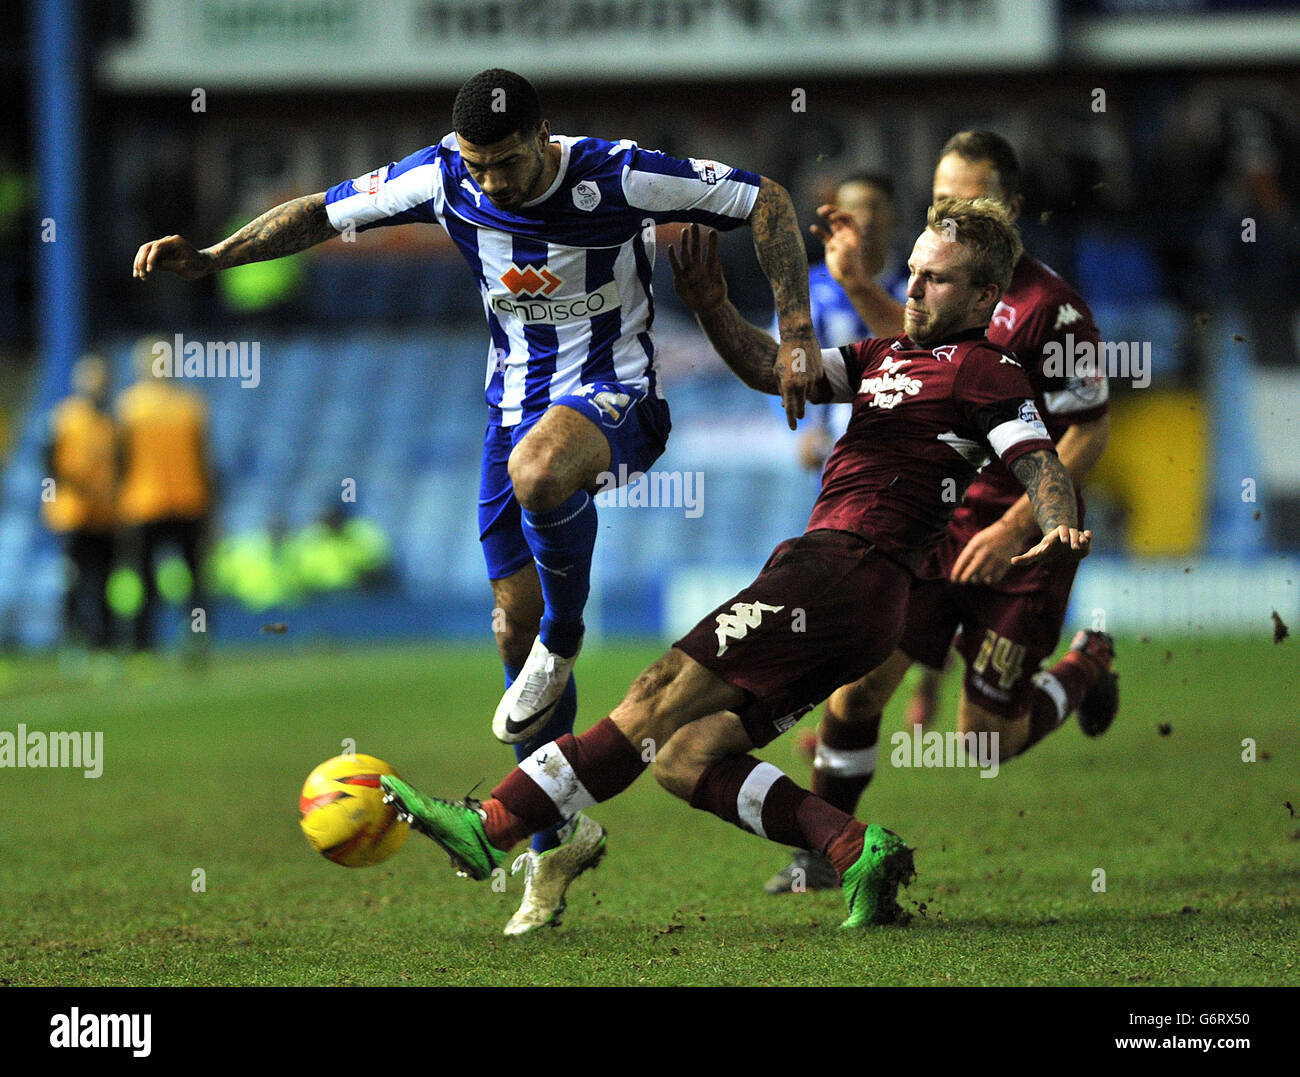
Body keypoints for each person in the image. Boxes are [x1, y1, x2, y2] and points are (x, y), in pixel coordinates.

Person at [131, 69, 819, 936]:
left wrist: (795, 332)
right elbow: (318, 210)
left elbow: (768, 199)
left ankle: (566, 640)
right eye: (476, 163)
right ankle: (557, 837)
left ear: (542, 135)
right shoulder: (443, 176)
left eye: (504, 162)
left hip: (620, 397)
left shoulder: (621, 174)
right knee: (508, 624)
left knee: (542, 480)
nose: (488, 180)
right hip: (510, 412)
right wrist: (214, 257)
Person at [378, 198, 1093, 931]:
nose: (910, 288)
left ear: (982, 297)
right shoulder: (885, 357)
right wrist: (716, 306)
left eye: (936, 280)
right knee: (686, 753)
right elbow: (772, 368)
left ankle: (491, 824)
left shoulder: (986, 371)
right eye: (911, 272)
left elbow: (1037, 459)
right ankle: (856, 848)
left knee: (656, 695)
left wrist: (1060, 524)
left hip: (846, 566)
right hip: (859, 598)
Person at [766, 131, 1119, 895]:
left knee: (982, 743)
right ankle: (822, 851)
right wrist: (859, 283)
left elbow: (1088, 428)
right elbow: (914, 342)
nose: (951, 213)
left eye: (971, 199)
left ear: (1012, 210)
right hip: (936, 521)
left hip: (1018, 535)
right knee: (858, 686)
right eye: (940, 200)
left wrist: (1012, 527)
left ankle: (1085, 667)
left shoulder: (1052, 311)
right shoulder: (945, 282)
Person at [774, 172, 908, 477]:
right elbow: (782, 366)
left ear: (892, 214)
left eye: (874, 206)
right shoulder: (808, 289)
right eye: (853, 207)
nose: (865, 217)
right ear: (834, 218)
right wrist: (805, 430)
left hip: (907, 443)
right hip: (839, 454)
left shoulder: (917, 282)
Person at [115, 337, 214, 657]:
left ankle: (157, 641)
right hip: (163, 503)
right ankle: (159, 639)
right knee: (179, 581)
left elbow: (202, 459)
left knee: (180, 581)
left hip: (161, 503)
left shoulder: (131, 406)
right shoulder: (186, 403)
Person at [42, 354, 118, 663]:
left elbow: (122, 466)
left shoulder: (112, 422)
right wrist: (53, 502)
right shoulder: (64, 418)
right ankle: (73, 640)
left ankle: (104, 640)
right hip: (72, 513)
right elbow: (48, 467)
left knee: (104, 579)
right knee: (73, 579)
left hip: (105, 515)